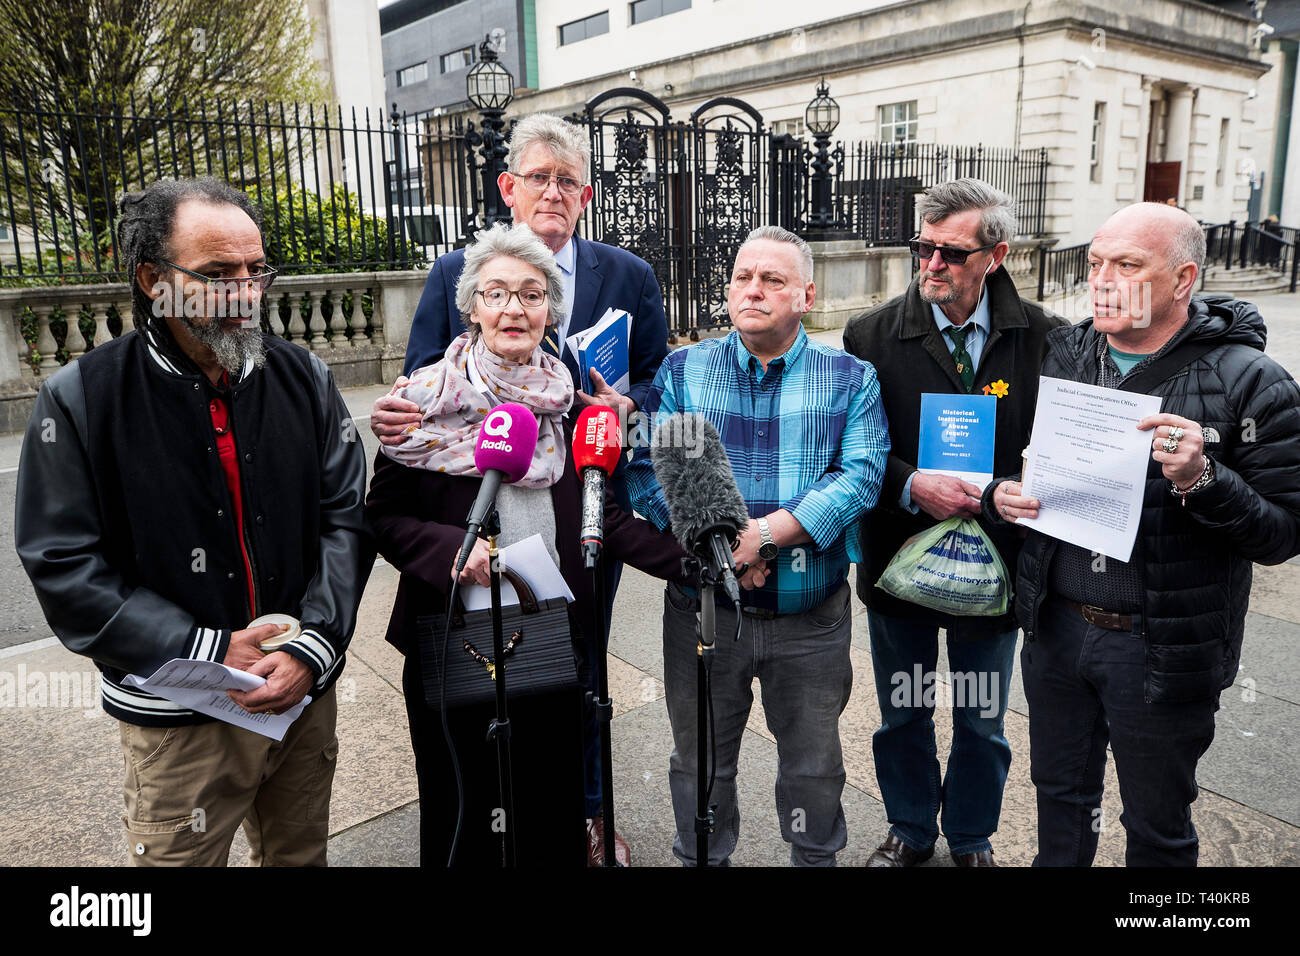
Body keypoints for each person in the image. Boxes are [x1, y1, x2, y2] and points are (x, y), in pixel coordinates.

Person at [14, 177, 371, 866]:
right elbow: (63, 564)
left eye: (255, 269)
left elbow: (346, 520)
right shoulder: (80, 399)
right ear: (153, 279)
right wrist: (205, 649)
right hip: (179, 721)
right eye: (215, 274)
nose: (245, 291)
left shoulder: (303, 376)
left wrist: (313, 645)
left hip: (300, 698)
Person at [371, 113, 670, 862]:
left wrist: (705, 558)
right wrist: (453, 550)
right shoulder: (428, 402)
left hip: (553, 615)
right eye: (498, 295)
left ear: (550, 311)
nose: (515, 308)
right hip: (454, 625)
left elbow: (610, 507)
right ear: (468, 307)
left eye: (532, 297)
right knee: (466, 798)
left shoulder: (566, 393)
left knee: (550, 793)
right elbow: (383, 512)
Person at [989, 201, 1300, 865]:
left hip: (1159, 646)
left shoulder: (1253, 383)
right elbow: (1022, 468)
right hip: (1058, 629)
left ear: (1183, 280)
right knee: (1060, 799)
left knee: (1157, 827)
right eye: (1097, 262)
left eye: (1128, 265)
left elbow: (1280, 534)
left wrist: (1201, 478)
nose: (1103, 279)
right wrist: (1006, 495)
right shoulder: (1066, 354)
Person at [627, 225, 889, 866]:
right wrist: (718, 549)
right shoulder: (684, 371)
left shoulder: (850, 377)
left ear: (806, 293)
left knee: (814, 765)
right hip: (704, 613)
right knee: (699, 763)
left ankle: (814, 858)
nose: (754, 289)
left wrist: (764, 538)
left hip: (810, 618)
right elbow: (647, 468)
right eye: (744, 276)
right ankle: (702, 859)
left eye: (773, 279)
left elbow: (861, 474)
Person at [842, 179, 1066, 867]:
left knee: (981, 719)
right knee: (904, 711)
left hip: (997, 561)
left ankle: (970, 837)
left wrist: (1011, 491)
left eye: (950, 253)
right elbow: (850, 452)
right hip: (901, 553)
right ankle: (910, 829)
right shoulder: (871, 334)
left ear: (994, 257)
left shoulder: (1045, 338)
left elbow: (1058, 453)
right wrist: (911, 483)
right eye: (923, 248)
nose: (932, 265)